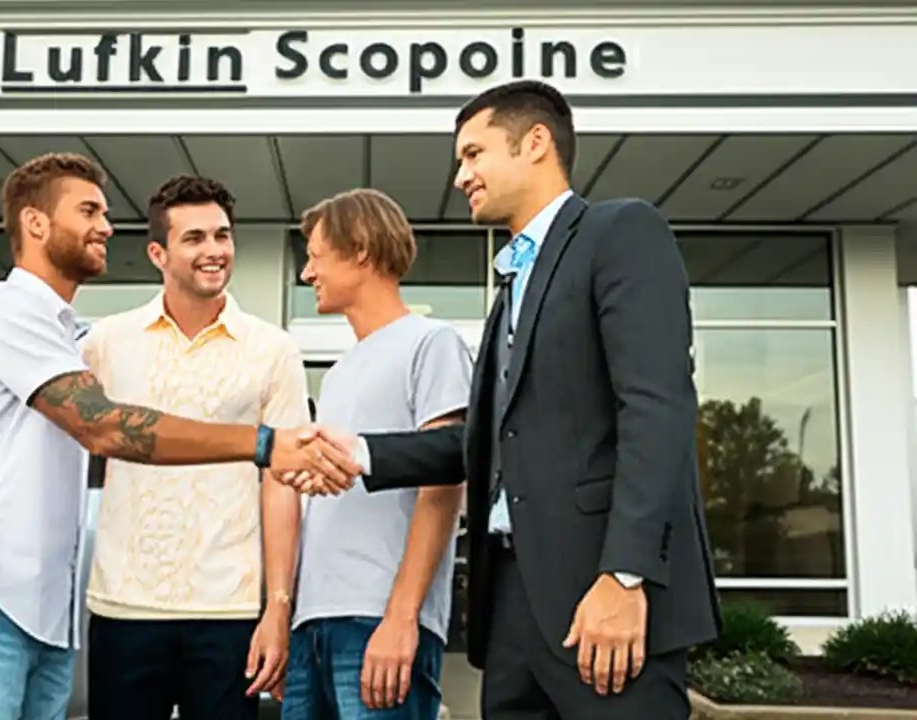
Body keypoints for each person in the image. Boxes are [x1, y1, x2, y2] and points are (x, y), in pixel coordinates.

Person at [295, 80, 721, 718]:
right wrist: (360, 452)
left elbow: (656, 412)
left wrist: (626, 576)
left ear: (536, 144)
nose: (460, 174)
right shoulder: (512, 287)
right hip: (513, 613)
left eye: (473, 154)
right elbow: (484, 445)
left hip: (600, 598)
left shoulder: (621, 232)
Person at [0, 153, 350, 720]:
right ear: (36, 223)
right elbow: (105, 428)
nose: (106, 227)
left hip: (49, 612)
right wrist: (263, 444)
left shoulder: (65, 335)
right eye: (89, 210)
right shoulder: (8, 314)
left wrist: (277, 603)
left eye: (223, 235)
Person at [79, 175, 307, 720]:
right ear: (158, 252)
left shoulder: (272, 350)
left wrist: (278, 608)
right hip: (124, 606)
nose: (214, 251)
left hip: (228, 608)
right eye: (195, 238)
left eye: (222, 236)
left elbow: (281, 481)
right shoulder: (106, 343)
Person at [280, 188, 470, 720]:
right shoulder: (338, 375)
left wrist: (402, 616)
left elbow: (445, 480)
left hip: (378, 623)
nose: (306, 274)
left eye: (315, 256)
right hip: (313, 627)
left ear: (360, 249)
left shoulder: (431, 343)